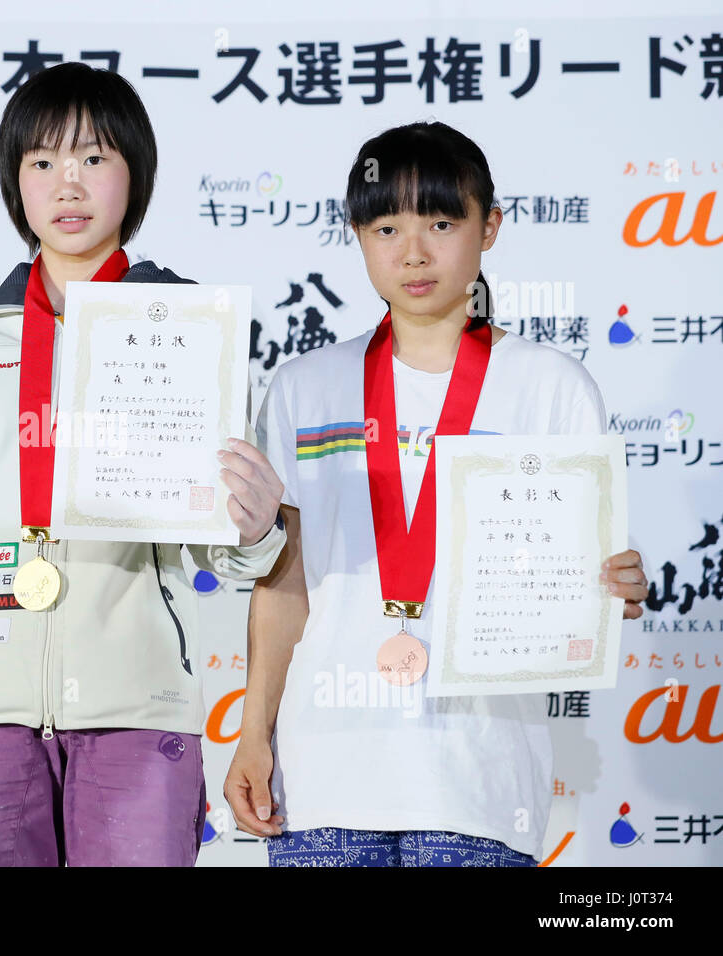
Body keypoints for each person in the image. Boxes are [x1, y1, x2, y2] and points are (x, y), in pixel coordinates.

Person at [0, 62, 286, 867]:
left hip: (141, 708)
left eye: (94, 158)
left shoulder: (186, 332)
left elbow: (227, 550)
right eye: (42, 163)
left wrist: (259, 525)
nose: (68, 185)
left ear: (134, 175)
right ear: (15, 183)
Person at [225, 121, 650, 867]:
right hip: (323, 775)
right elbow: (282, 581)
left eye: (443, 223)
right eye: (387, 226)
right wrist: (252, 731)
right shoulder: (303, 387)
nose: (413, 253)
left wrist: (609, 590)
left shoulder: (549, 388)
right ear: (357, 235)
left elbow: (581, 582)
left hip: (476, 781)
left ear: (490, 228)